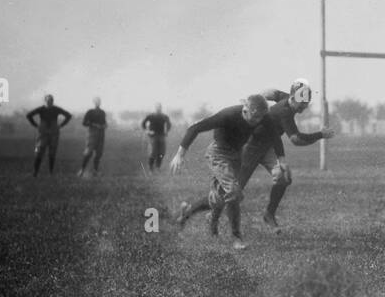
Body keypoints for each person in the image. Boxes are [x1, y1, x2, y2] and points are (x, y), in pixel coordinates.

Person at [171, 95, 272, 250]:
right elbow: (194, 128)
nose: (258, 120)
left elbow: (273, 137)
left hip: (237, 155)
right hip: (218, 154)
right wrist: (180, 154)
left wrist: (281, 159)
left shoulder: (262, 116)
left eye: (261, 117)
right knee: (233, 192)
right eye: (255, 116)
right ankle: (236, 237)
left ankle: (189, 212)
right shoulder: (228, 115)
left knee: (219, 198)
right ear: (246, 110)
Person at [238, 79, 336, 232]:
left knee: (284, 178)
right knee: (235, 189)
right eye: (301, 103)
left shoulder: (287, 98)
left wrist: (257, 99)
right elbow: (296, 140)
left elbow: (273, 92)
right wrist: (321, 134)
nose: (304, 106)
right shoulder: (285, 113)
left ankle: (269, 215)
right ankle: (210, 213)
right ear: (293, 98)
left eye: (306, 102)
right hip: (251, 148)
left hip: (268, 147)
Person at [26, 95, 73, 177]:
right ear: (45, 101)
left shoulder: (56, 109)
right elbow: (29, 115)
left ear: (52, 101)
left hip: (54, 133)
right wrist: (36, 125)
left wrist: (61, 125)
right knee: (39, 151)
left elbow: (68, 116)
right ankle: (35, 172)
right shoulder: (41, 109)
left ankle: (51, 173)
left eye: (51, 101)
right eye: (48, 101)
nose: (49, 102)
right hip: (43, 133)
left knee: (52, 153)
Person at [77, 97, 107, 176]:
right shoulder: (90, 112)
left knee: (99, 153)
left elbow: (104, 122)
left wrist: (105, 125)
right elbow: (84, 123)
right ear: (94, 102)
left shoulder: (102, 112)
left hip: (101, 134)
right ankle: (82, 170)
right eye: (96, 101)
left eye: (99, 101)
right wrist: (94, 124)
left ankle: (95, 171)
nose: (98, 103)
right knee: (88, 152)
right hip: (92, 133)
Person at [142, 104, 173, 170]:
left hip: (162, 135)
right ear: (155, 108)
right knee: (153, 152)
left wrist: (166, 130)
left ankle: (158, 167)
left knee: (161, 152)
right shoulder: (151, 116)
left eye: (159, 108)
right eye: (157, 108)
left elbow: (169, 124)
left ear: (161, 108)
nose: (158, 109)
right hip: (153, 136)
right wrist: (148, 131)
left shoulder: (164, 116)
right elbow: (143, 124)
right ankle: (151, 167)